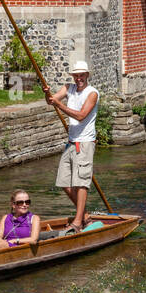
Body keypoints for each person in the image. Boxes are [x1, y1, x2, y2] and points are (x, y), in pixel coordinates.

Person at [48, 59, 100, 234]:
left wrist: (59, 104)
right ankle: (85, 215)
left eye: (81, 75)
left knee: (81, 182)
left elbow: (81, 116)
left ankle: (77, 223)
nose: (79, 78)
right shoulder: (68, 88)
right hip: (71, 142)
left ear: (87, 75)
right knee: (64, 181)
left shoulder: (92, 93)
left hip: (84, 143)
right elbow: (51, 100)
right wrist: (47, 94)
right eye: (76, 75)